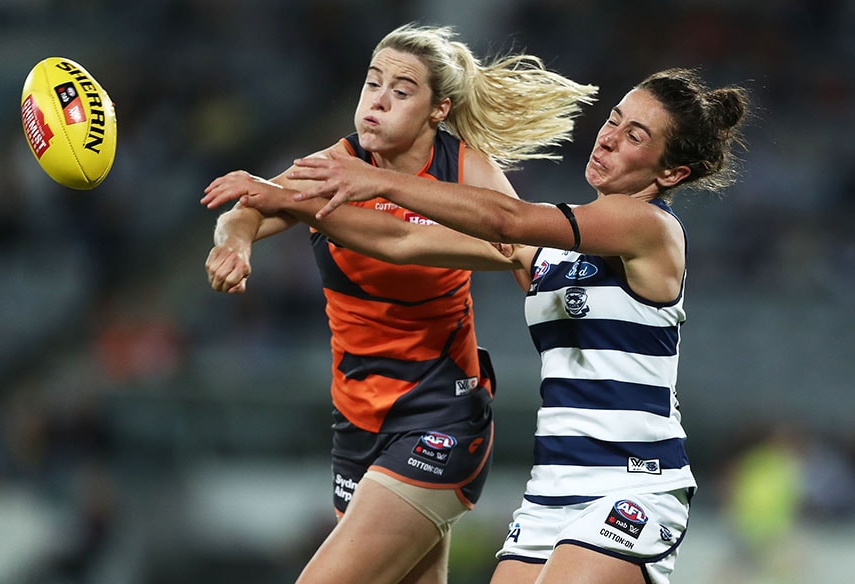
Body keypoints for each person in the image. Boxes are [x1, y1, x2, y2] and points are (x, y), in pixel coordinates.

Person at [212, 67, 750, 584]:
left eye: (634, 134)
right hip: (554, 486)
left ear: (670, 173)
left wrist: (376, 180)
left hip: (631, 481)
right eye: (613, 118)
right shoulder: (553, 250)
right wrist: (287, 201)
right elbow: (402, 241)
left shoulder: (649, 228)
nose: (608, 138)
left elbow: (504, 219)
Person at [201, 23, 597, 584]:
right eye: (371, 84)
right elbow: (247, 207)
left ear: (439, 110)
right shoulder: (334, 163)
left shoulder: (464, 170)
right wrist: (236, 245)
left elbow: (515, 250)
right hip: (358, 422)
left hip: (441, 414)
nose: (377, 102)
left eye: (401, 91)